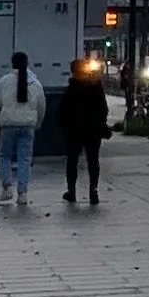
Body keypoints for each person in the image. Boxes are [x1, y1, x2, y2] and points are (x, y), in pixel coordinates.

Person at [0, 50, 44, 204]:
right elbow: (41, 106)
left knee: (4, 156)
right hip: (28, 125)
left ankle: (7, 187)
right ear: (27, 64)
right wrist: (37, 123)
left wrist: (7, 106)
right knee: (25, 159)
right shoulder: (35, 83)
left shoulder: (5, 81)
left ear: (12, 64)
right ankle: (22, 193)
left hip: (8, 125)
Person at [57, 53, 110, 204]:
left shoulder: (71, 89)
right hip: (93, 130)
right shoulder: (96, 87)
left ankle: (72, 191)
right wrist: (101, 123)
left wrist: (64, 126)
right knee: (93, 160)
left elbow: (63, 111)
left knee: (72, 161)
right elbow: (103, 109)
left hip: (74, 131)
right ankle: (93, 190)